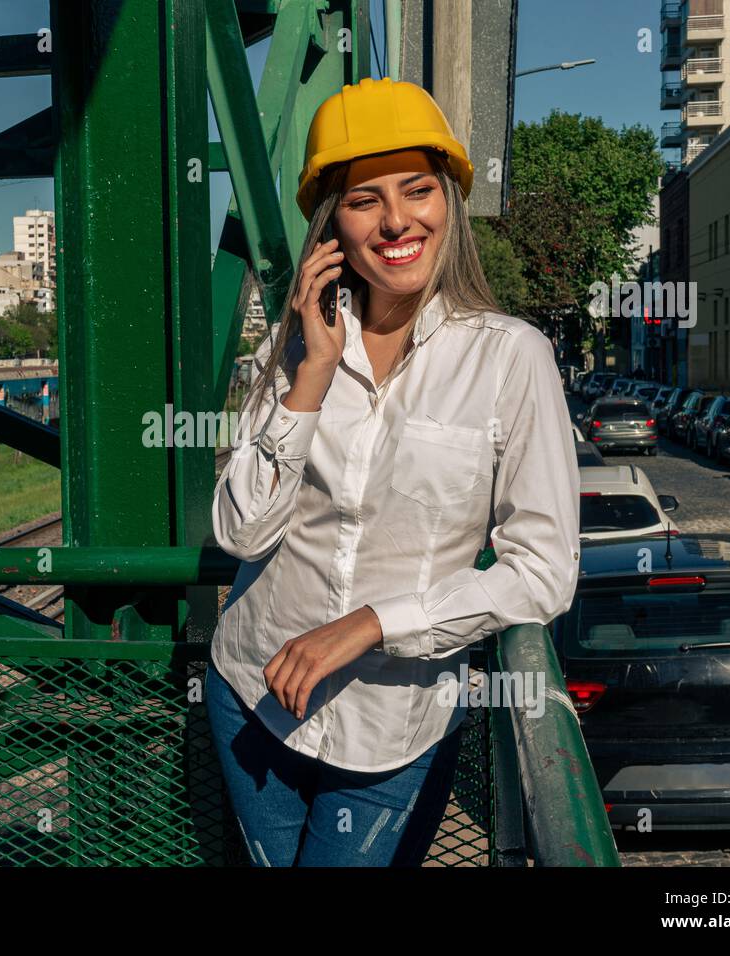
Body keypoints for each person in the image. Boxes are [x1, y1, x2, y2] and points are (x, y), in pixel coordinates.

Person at [206, 77, 580, 867]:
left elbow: (542, 573)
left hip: (393, 725)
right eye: (365, 199)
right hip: (251, 695)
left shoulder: (512, 358)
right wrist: (309, 374)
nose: (398, 220)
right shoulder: (304, 343)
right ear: (331, 226)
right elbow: (241, 532)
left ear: (448, 201)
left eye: (417, 190)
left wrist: (374, 623)